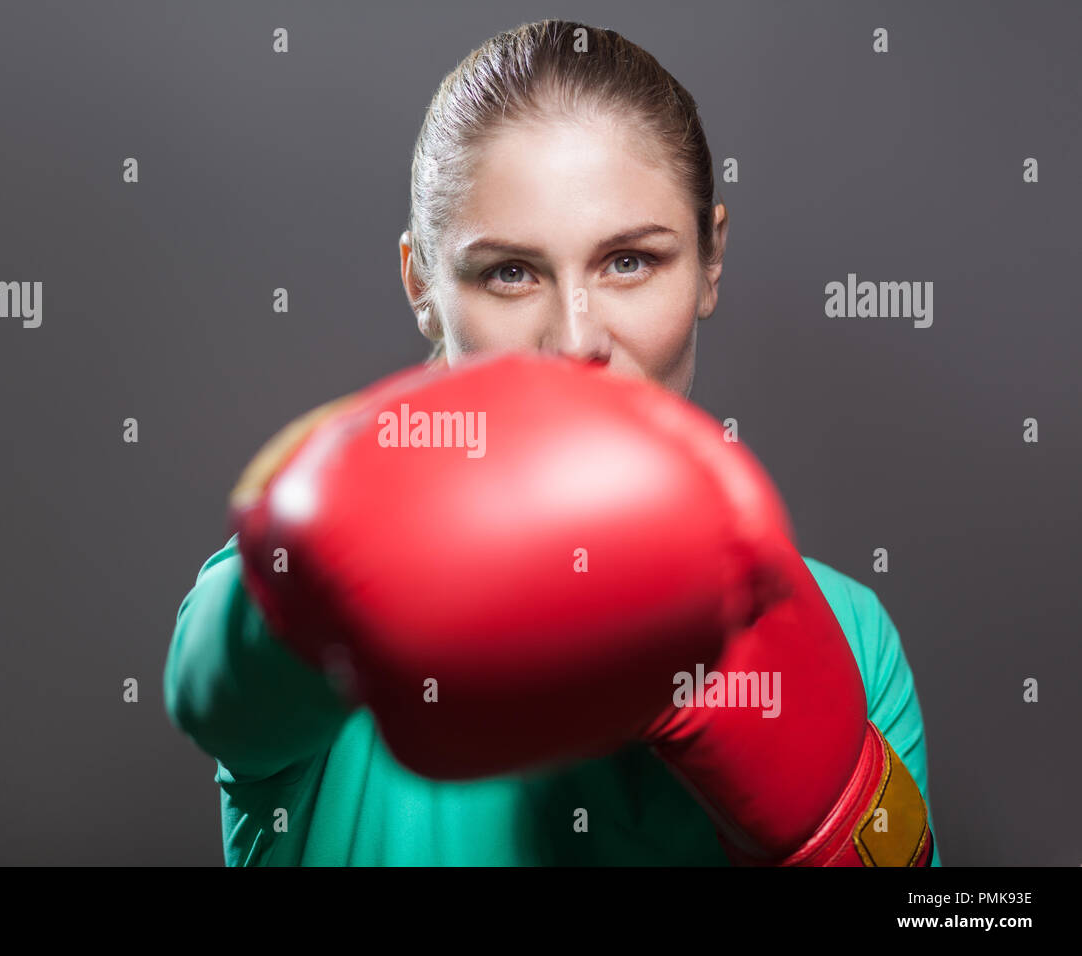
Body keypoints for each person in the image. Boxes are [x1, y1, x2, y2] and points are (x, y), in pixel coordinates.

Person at [163, 19, 940, 866]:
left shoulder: (849, 631)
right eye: (510, 272)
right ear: (422, 284)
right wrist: (313, 588)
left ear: (711, 259)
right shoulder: (325, 566)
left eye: (630, 262)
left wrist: (829, 820)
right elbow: (215, 689)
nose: (575, 341)